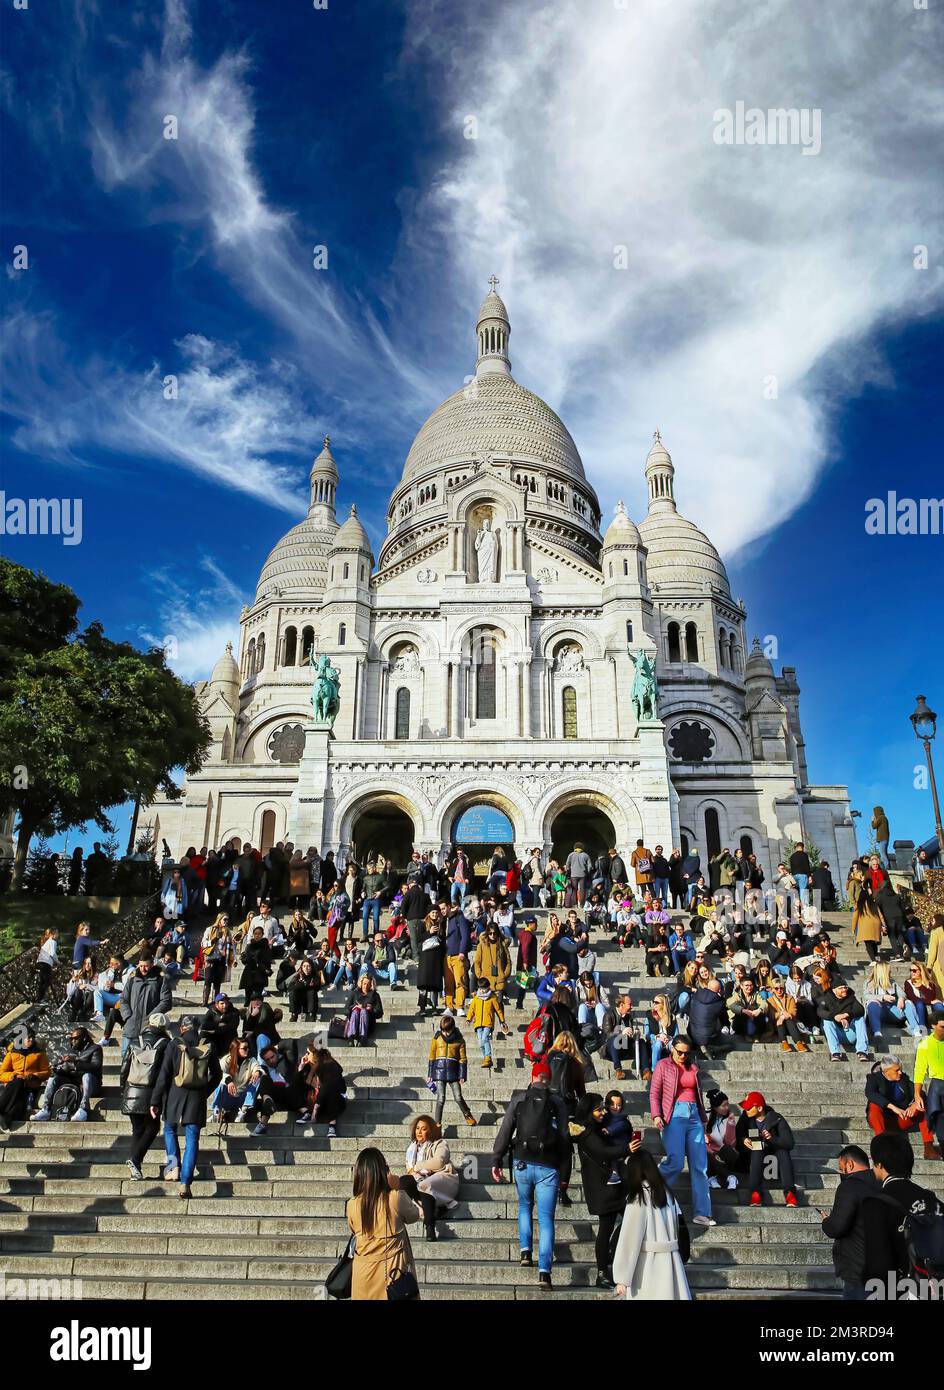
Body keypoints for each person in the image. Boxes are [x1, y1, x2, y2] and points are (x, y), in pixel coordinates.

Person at [490, 1059, 572, 1289]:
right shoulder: (558, 1102)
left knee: (525, 1206)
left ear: (532, 1076)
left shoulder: (519, 1098)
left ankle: (525, 1252)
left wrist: (496, 1159)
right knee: (546, 1219)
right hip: (548, 1165)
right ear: (549, 1079)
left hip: (522, 1162)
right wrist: (566, 1173)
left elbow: (506, 1130)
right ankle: (545, 1273)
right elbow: (565, 1138)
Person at [149, 1014, 223, 1198]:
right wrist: (204, 1091)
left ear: (182, 1027)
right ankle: (185, 1182)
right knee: (192, 1140)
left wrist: (155, 1101)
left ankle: (173, 1167)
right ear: (197, 1028)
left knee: (169, 1130)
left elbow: (164, 1075)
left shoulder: (175, 1044)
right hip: (197, 1098)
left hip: (175, 1095)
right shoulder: (208, 1045)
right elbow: (218, 1074)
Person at [572, 1093, 640, 1288]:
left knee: (628, 1219)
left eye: (603, 1108)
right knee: (607, 1227)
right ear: (588, 1111)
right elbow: (603, 1152)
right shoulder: (588, 1133)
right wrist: (627, 1149)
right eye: (599, 1109)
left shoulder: (595, 1128)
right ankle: (602, 1272)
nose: (603, 1111)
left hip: (612, 1185)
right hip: (601, 1188)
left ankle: (609, 1257)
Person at [861, 1132, 944, 1289]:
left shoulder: (876, 1204)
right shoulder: (930, 1198)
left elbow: (879, 1262)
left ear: (879, 1164)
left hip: (900, 1288)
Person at [649, 1036, 714, 1226]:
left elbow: (699, 1095)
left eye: (687, 1052)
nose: (683, 1056)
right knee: (675, 1161)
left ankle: (702, 1213)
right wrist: (656, 1115)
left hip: (694, 1115)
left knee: (700, 1166)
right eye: (680, 1052)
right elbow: (655, 1093)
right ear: (672, 1049)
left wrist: (703, 1120)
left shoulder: (693, 1067)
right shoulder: (663, 1065)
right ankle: (651, 1189)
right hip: (674, 1114)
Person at [613, 1147, 692, 1301]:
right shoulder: (667, 1194)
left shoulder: (639, 1198)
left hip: (647, 1268)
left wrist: (622, 1277)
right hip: (672, 1263)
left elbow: (629, 1240)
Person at [346, 1148, 421, 1301]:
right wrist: (397, 1186)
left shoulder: (352, 1204)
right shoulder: (394, 1198)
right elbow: (414, 1215)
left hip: (362, 1277)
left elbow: (353, 1229)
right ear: (383, 1171)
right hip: (392, 1277)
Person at [819, 1145, 878, 1300]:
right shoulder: (882, 1183)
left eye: (841, 1168)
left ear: (849, 1165)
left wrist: (826, 1221)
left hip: (858, 1270)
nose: (841, 1173)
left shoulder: (849, 1186)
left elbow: (836, 1227)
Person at [119, 1011, 171, 1178]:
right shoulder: (166, 1044)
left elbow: (124, 1068)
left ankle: (135, 1167)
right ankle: (135, 1159)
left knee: (137, 1129)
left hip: (132, 1090)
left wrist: (123, 1089)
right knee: (152, 1128)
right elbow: (165, 1073)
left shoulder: (135, 1041)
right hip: (151, 1093)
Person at [400, 1115, 460, 1241]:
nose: (419, 1132)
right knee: (404, 1181)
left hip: (444, 1178)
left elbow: (438, 1163)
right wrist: (416, 1172)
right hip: (422, 1181)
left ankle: (429, 1226)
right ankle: (433, 1209)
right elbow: (410, 1171)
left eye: (423, 1129)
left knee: (424, 1185)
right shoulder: (412, 1149)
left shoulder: (440, 1144)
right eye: (417, 1128)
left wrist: (417, 1167)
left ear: (430, 1130)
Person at [736, 1090, 798, 1207]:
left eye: (749, 1108)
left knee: (783, 1152)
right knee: (757, 1150)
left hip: (774, 1148)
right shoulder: (745, 1118)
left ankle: (790, 1193)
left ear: (759, 1108)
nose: (746, 1110)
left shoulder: (777, 1118)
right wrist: (743, 1140)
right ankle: (755, 1192)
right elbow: (738, 1135)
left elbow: (789, 1143)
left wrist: (772, 1138)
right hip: (754, 1152)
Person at [108, 951, 173, 1057]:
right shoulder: (132, 980)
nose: (143, 969)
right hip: (131, 1026)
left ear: (152, 965)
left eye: (146, 966)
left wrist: (151, 1017)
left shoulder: (160, 980)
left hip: (149, 1028)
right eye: (141, 965)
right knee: (125, 1055)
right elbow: (123, 999)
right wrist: (127, 1016)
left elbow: (166, 1001)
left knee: (145, 1058)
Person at [32, 1027, 102, 1123]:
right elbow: (66, 1070)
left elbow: (96, 1067)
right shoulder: (70, 1051)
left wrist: (76, 1063)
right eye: (71, 1038)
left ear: (84, 1038)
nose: (72, 1041)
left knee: (87, 1076)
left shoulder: (96, 1049)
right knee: (53, 1078)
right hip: (73, 1083)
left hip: (91, 1084)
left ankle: (83, 1109)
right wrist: (57, 1070)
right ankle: (46, 1109)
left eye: (75, 1038)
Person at [427, 1011, 475, 1126]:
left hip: (453, 1071)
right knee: (441, 1098)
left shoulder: (460, 1040)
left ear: (453, 1028)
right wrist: (430, 1073)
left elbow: (463, 1059)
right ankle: (437, 1123)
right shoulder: (437, 1038)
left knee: (458, 1097)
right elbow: (432, 1056)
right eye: (443, 1030)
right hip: (439, 1071)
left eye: (448, 1030)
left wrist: (462, 1074)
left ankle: (467, 1114)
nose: (446, 1033)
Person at [0, 1025, 51, 1131]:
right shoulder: (12, 1053)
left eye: (32, 1037)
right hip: (14, 1084)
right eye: (28, 1037)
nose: (31, 1039)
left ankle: (5, 1117)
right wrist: (13, 1075)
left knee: (20, 1102)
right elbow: (2, 1073)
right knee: (18, 1083)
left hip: (30, 1085)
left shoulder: (39, 1053)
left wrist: (34, 1075)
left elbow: (47, 1072)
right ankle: (5, 1117)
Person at [297, 1044, 346, 1136]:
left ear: (315, 1055)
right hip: (316, 1102)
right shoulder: (307, 1068)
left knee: (330, 1091)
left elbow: (337, 1084)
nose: (306, 1055)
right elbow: (301, 1085)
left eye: (308, 1053)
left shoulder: (328, 1066)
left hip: (331, 1101)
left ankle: (330, 1125)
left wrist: (316, 1106)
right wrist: (301, 1068)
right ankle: (331, 1125)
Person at [912, 1014, 944, 1154]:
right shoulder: (924, 1045)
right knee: (939, 1119)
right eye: (943, 1026)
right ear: (933, 1026)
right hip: (937, 1085)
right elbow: (919, 1069)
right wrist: (917, 1094)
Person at [818, 980, 870, 1062]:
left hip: (850, 1032)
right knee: (827, 1021)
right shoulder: (827, 998)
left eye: (845, 987)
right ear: (834, 990)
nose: (844, 989)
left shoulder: (851, 997)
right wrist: (835, 1017)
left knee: (860, 1018)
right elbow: (820, 1012)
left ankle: (862, 1051)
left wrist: (846, 1015)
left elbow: (860, 1009)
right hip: (836, 1033)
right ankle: (835, 1053)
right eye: (840, 988)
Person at [705, 1089, 745, 1189]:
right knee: (706, 1154)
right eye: (723, 1105)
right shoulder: (705, 1117)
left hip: (724, 1151)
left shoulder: (729, 1117)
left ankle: (712, 1178)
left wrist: (730, 1125)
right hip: (709, 1152)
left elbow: (730, 1143)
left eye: (728, 1104)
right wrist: (713, 1153)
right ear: (715, 1107)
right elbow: (702, 1140)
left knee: (728, 1152)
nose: (727, 1108)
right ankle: (730, 1177)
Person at [465, 979, 506, 1068]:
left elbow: (498, 1010)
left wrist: (502, 1021)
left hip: (488, 1023)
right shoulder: (476, 998)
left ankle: (488, 1058)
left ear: (488, 987)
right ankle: (486, 1059)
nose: (483, 990)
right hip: (478, 1023)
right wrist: (469, 1019)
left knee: (484, 1039)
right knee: (480, 1042)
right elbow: (472, 1009)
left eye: (485, 988)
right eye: (481, 988)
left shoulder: (492, 997)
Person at [444, 902, 472, 1011]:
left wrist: (462, 951)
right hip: (446, 956)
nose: (442, 911)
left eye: (444, 908)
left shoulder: (459, 918)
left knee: (460, 981)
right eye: (440, 909)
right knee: (448, 983)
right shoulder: (442, 920)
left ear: (449, 907)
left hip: (457, 955)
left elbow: (465, 935)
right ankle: (449, 1006)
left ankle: (460, 1006)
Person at [416, 910, 445, 1012]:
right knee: (424, 983)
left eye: (436, 913)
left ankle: (434, 1007)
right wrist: (429, 932)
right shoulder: (422, 923)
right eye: (432, 913)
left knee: (434, 983)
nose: (434, 915)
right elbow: (418, 938)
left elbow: (443, 939)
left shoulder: (441, 924)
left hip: (436, 956)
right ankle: (422, 1007)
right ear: (428, 913)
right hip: (425, 956)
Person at [344, 974, 384, 1046]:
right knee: (356, 1011)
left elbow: (380, 1012)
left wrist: (371, 1009)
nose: (365, 986)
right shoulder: (354, 993)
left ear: (371, 985)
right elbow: (345, 1010)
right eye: (364, 984)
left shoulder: (375, 995)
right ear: (361, 983)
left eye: (368, 984)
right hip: (354, 1021)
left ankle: (362, 1037)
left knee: (364, 1011)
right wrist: (353, 1007)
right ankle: (351, 1037)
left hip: (368, 1023)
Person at [565, 842, 593, 906]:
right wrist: (587, 872)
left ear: (575, 847)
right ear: (582, 848)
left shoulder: (571, 855)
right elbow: (590, 866)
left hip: (573, 875)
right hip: (583, 875)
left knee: (574, 890)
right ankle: (582, 904)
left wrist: (569, 871)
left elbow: (567, 865)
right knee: (582, 890)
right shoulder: (585, 855)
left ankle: (574, 904)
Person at [35, 927, 59, 1002]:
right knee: (47, 981)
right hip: (46, 963)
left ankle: (38, 998)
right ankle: (40, 998)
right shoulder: (53, 942)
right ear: (52, 934)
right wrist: (58, 962)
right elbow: (52, 953)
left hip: (40, 962)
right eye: (57, 933)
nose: (58, 935)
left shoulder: (48, 941)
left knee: (42, 981)